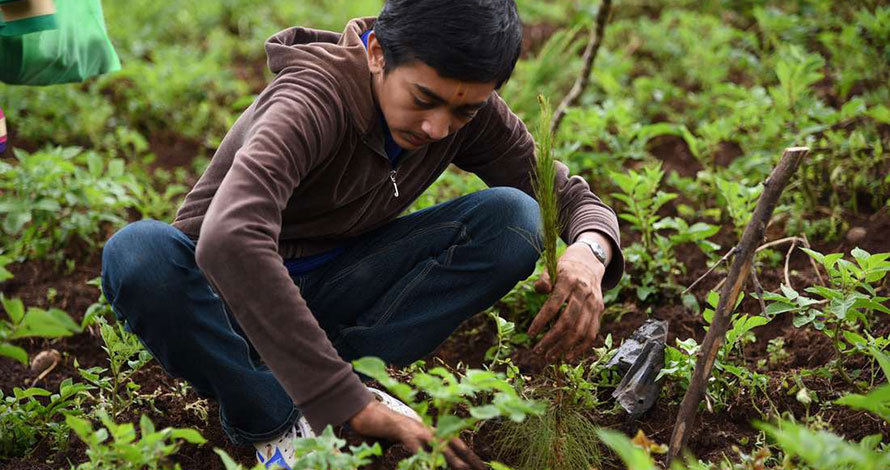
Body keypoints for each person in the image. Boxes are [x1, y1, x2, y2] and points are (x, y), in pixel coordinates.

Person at [100, 1, 624, 468]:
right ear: (377, 54)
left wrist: (589, 251)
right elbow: (231, 238)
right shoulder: (311, 99)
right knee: (139, 255)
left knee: (515, 217)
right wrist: (340, 400)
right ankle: (274, 417)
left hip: (330, 287)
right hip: (227, 305)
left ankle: (351, 375)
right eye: (423, 99)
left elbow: (570, 199)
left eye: (461, 111)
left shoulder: (470, 112)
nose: (437, 128)